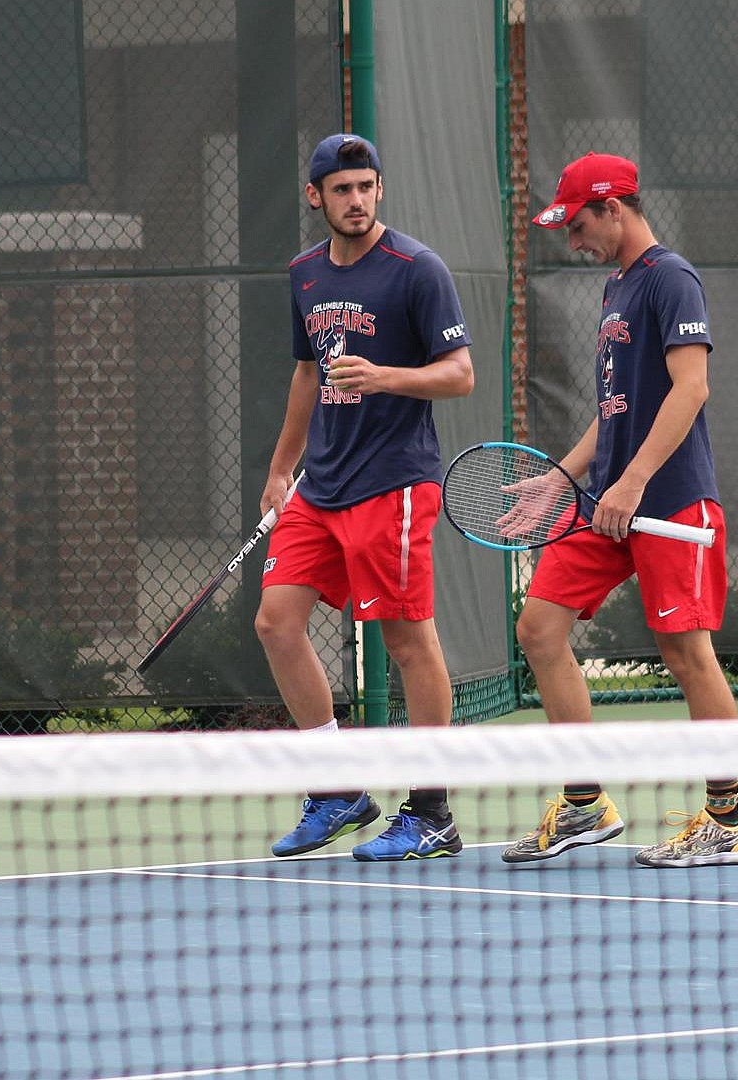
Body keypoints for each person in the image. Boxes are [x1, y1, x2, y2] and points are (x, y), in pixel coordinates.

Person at [506, 152, 738, 869]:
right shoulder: (617, 286)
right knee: (540, 627)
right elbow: (616, 409)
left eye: (579, 224)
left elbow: (691, 388)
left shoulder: (670, 279)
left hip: (667, 501)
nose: (573, 239)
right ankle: (586, 805)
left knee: (686, 652)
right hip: (608, 501)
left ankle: (726, 821)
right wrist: (563, 478)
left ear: (614, 207)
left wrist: (635, 481)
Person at [257, 134, 476, 862]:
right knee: (275, 623)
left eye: (366, 186)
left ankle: (432, 810)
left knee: (408, 639)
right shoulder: (304, 275)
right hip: (321, 485)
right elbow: (301, 374)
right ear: (316, 196)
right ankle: (339, 788)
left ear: (380, 190)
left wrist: (385, 377)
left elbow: (460, 374)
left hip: (396, 483)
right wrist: (280, 467)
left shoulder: (419, 270)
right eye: (341, 188)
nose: (355, 200)